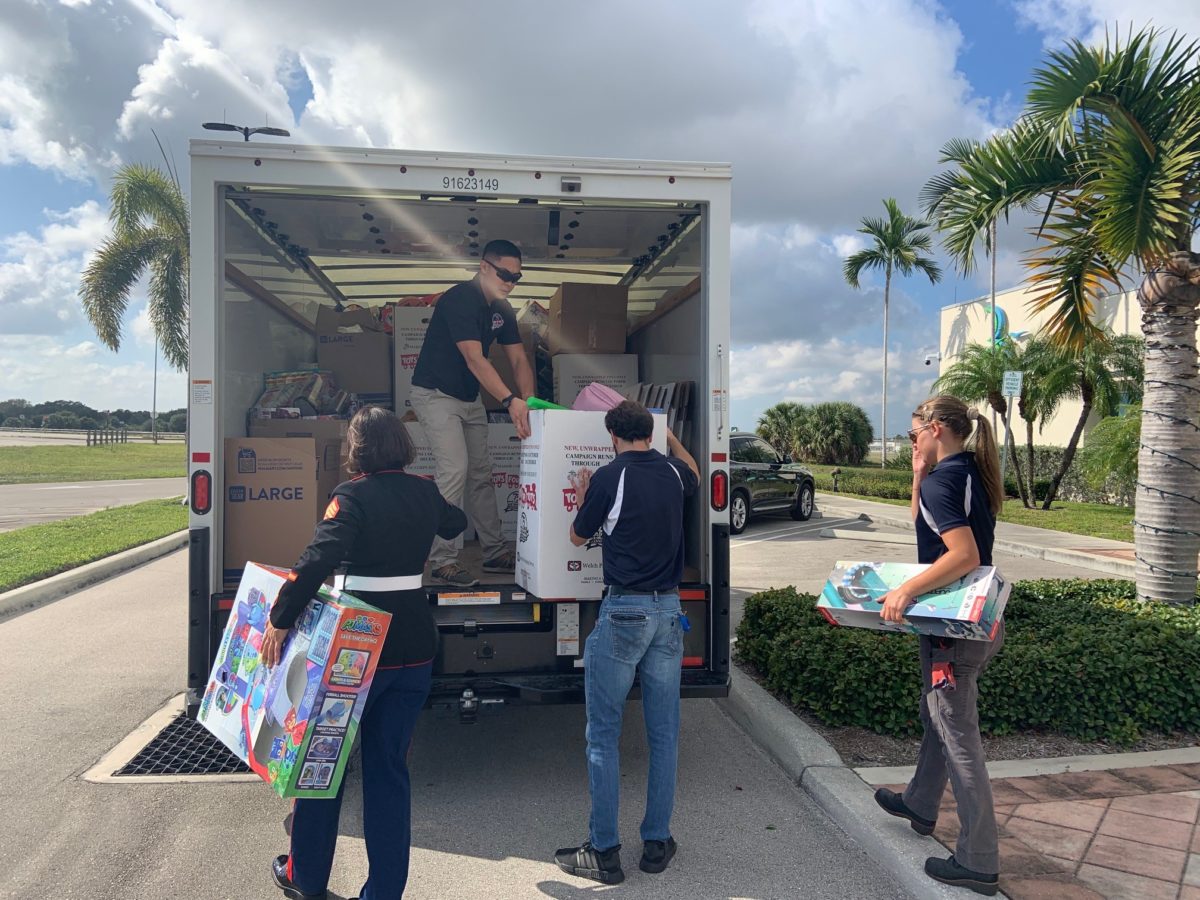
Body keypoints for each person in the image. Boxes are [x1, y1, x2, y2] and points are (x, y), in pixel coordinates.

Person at [264, 407, 466, 900]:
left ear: (358, 450)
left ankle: (306, 877)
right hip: (415, 647)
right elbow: (455, 521)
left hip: (357, 648)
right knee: (389, 772)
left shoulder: (350, 496)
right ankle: (383, 893)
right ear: (401, 445)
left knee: (322, 765)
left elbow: (317, 560)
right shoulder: (423, 490)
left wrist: (279, 618)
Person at [553, 401, 700, 885]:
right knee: (663, 735)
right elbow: (695, 468)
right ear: (650, 433)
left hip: (623, 613)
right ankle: (656, 842)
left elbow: (578, 538)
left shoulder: (609, 478)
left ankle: (604, 850)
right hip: (668, 612)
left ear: (612, 435)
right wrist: (671, 436)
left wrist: (582, 493)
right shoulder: (677, 475)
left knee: (603, 735)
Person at [873, 395, 1006, 897]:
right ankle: (921, 803)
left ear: (935, 428)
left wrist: (907, 590)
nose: (913, 443)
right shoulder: (969, 471)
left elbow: (963, 553)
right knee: (938, 717)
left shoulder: (943, 482)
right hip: (980, 619)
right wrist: (916, 473)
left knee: (957, 737)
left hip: (952, 631)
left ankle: (978, 860)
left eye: (913, 435)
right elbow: (927, 525)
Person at [409, 238, 535, 588]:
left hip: (469, 397)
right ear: (484, 267)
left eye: (517, 277)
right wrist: (511, 401)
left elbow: (519, 359)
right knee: (455, 469)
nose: (510, 282)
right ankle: (443, 561)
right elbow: (474, 359)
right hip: (435, 395)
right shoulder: (459, 300)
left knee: (481, 471)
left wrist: (531, 402)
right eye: (505, 274)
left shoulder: (503, 309)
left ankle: (494, 552)